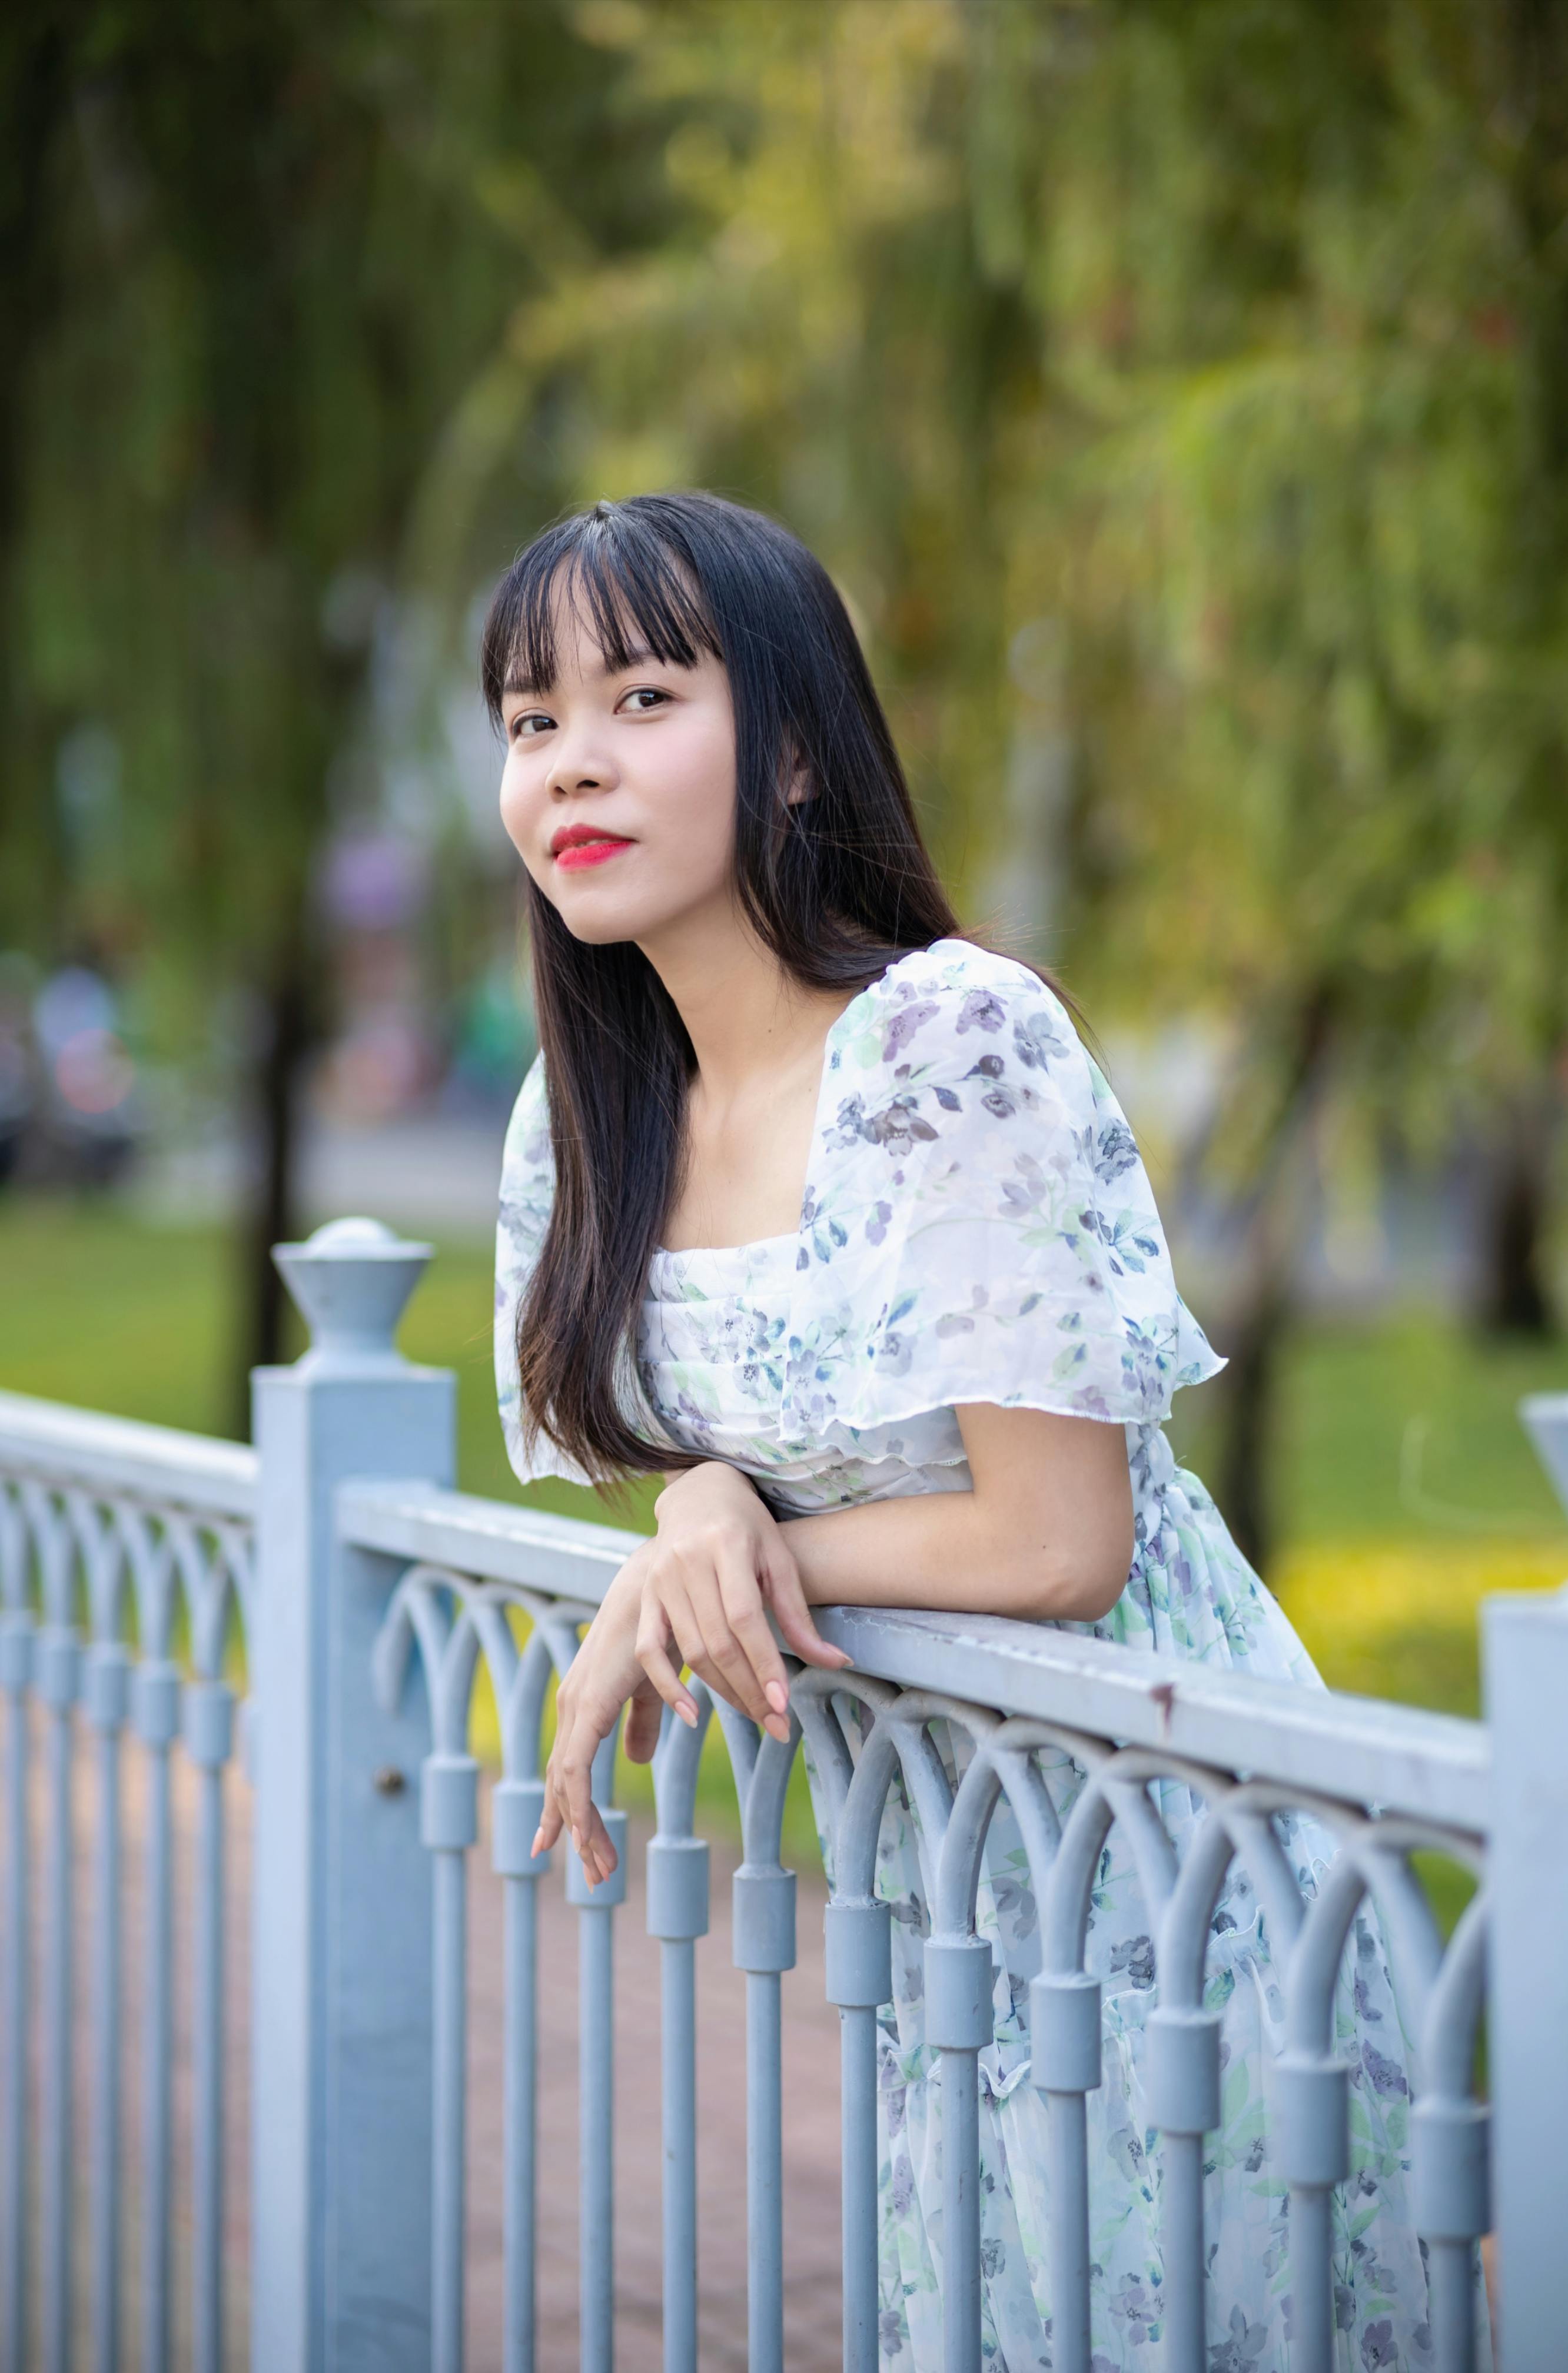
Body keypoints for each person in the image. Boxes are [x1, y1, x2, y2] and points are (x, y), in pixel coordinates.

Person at [489, 491, 1435, 2368]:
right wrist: (694, 1512)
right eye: (528, 722)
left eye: (645, 696)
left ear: (791, 756)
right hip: (944, 1895)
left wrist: (723, 1553)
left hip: (1178, 1869)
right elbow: (686, 1446)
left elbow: (1056, 1542)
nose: (570, 763)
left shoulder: (948, 1040)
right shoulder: (586, 1122)